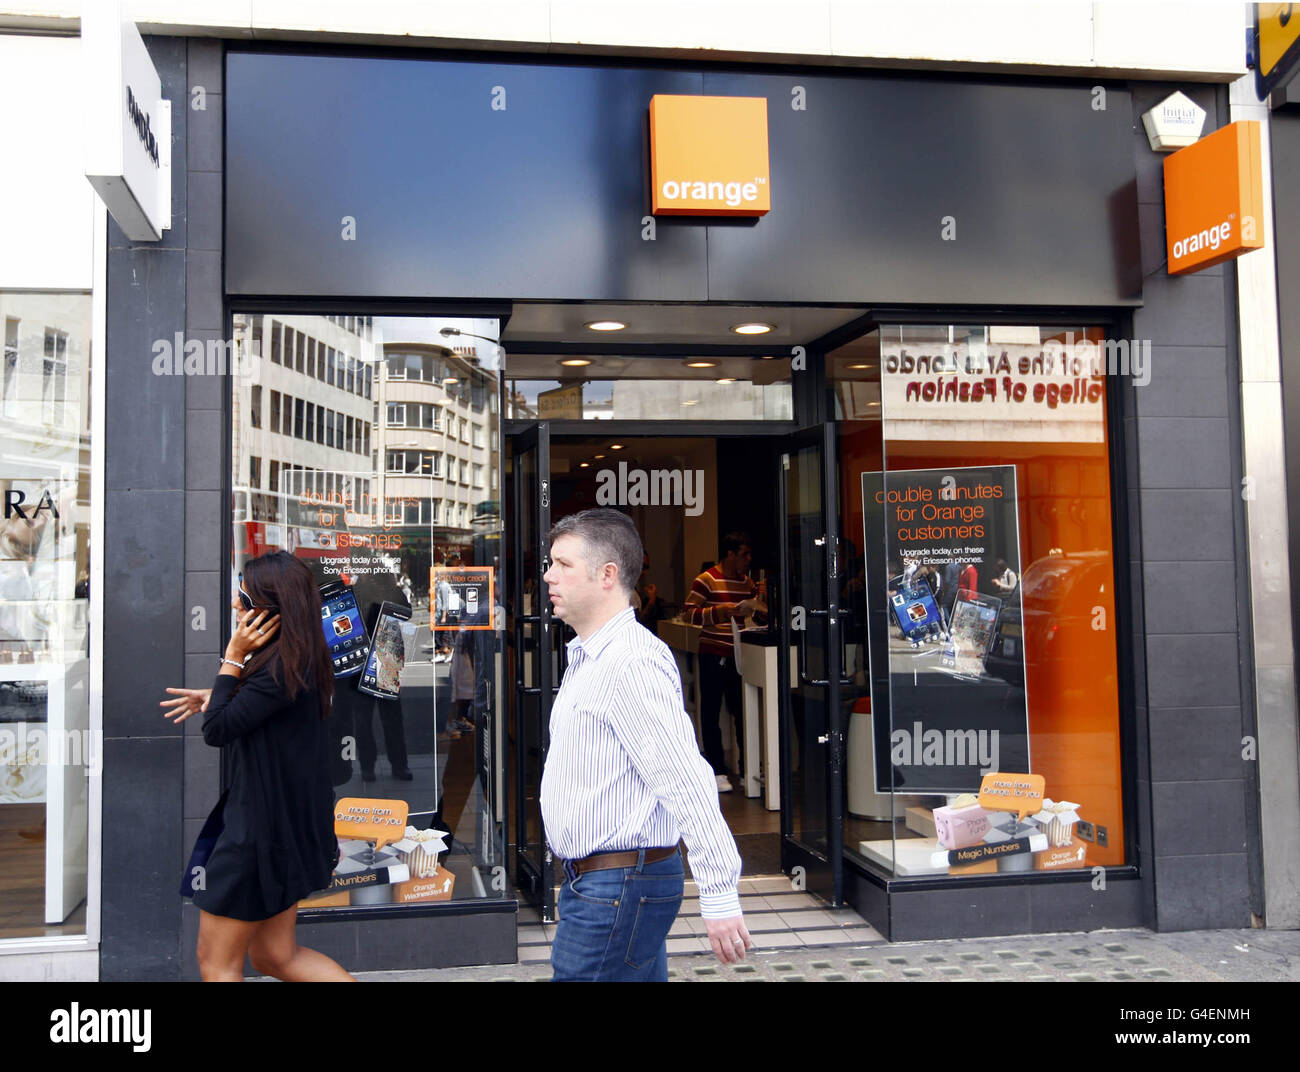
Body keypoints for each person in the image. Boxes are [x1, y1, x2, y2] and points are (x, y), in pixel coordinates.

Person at [540, 508, 750, 981]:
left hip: (617, 885)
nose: (549, 576)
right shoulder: (593, 655)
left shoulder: (629, 663)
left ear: (607, 575)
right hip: (608, 882)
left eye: (563, 564)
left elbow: (683, 776)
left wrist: (718, 889)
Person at [160, 550, 353, 982]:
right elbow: (256, 714)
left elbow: (219, 731)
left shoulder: (279, 667)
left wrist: (232, 657)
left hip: (257, 837)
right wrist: (220, 695)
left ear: (268, 608)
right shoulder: (298, 658)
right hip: (283, 829)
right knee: (275, 956)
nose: (235, 605)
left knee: (216, 963)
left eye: (243, 597)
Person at [682, 531, 767, 792]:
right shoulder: (706, 580)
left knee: (742, 712)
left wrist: (762, 602)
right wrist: (722, 612)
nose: (747, 560)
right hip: (713, 652)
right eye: (744, 555)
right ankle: (716, 769)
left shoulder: (747, 582)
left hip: (739, 654)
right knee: (711, 713)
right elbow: (688, 614)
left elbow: (761, 619)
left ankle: (747, 767)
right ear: (730, 554)